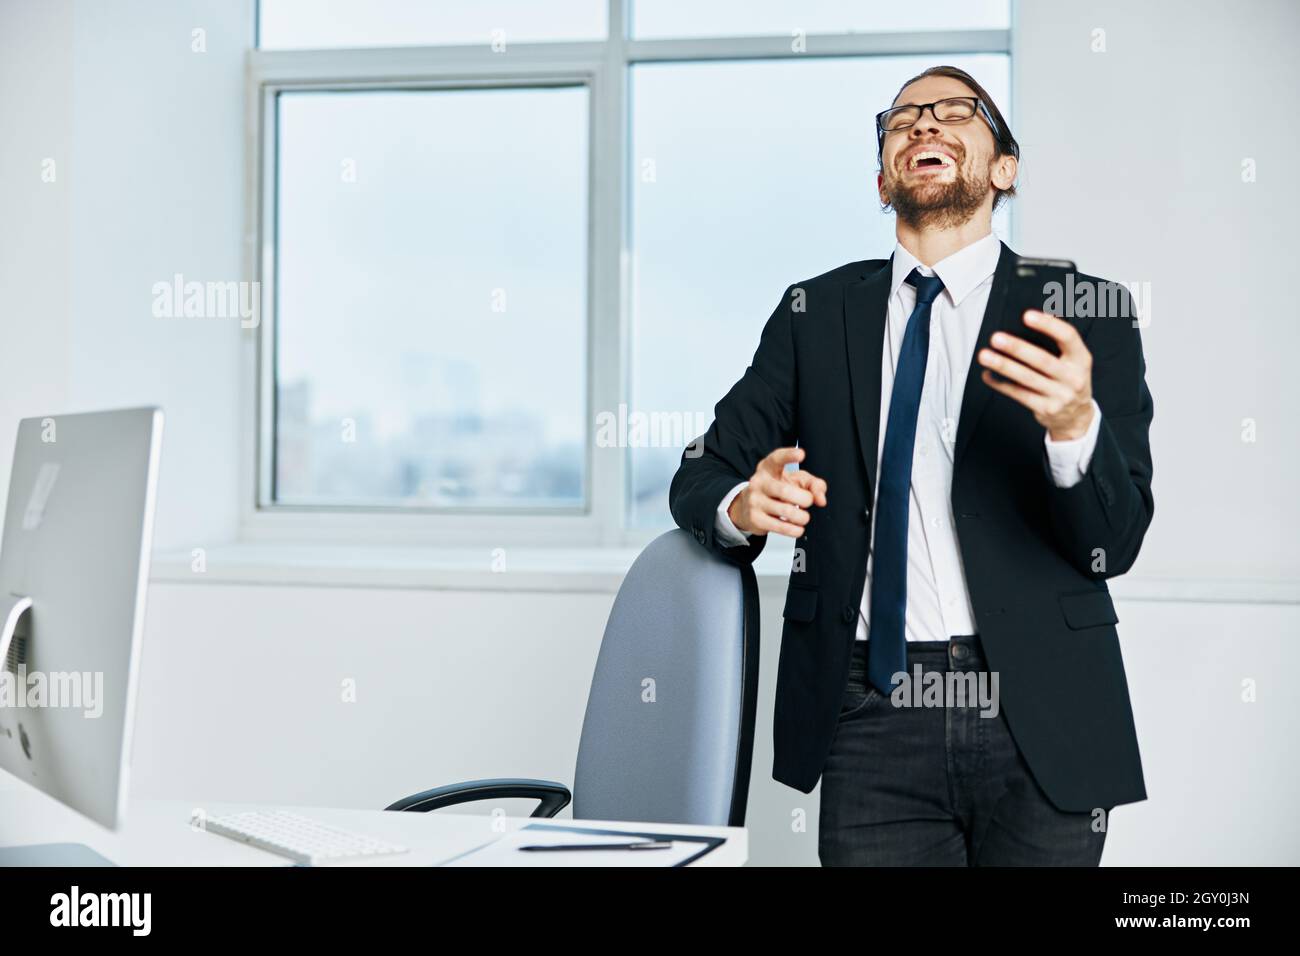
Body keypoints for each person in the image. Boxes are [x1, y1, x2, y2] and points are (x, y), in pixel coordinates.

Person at [668, 65, 1154, 865]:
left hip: (1042, 708)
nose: (923, 125)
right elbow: (700, 470)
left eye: (956, 112)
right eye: (901, 121)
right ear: (883, 179)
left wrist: (1075, 427)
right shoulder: (814, 315)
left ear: (1005, 169)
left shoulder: (1080, 310)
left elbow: (1117, 538)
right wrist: (740, 506)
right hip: (870, 712)